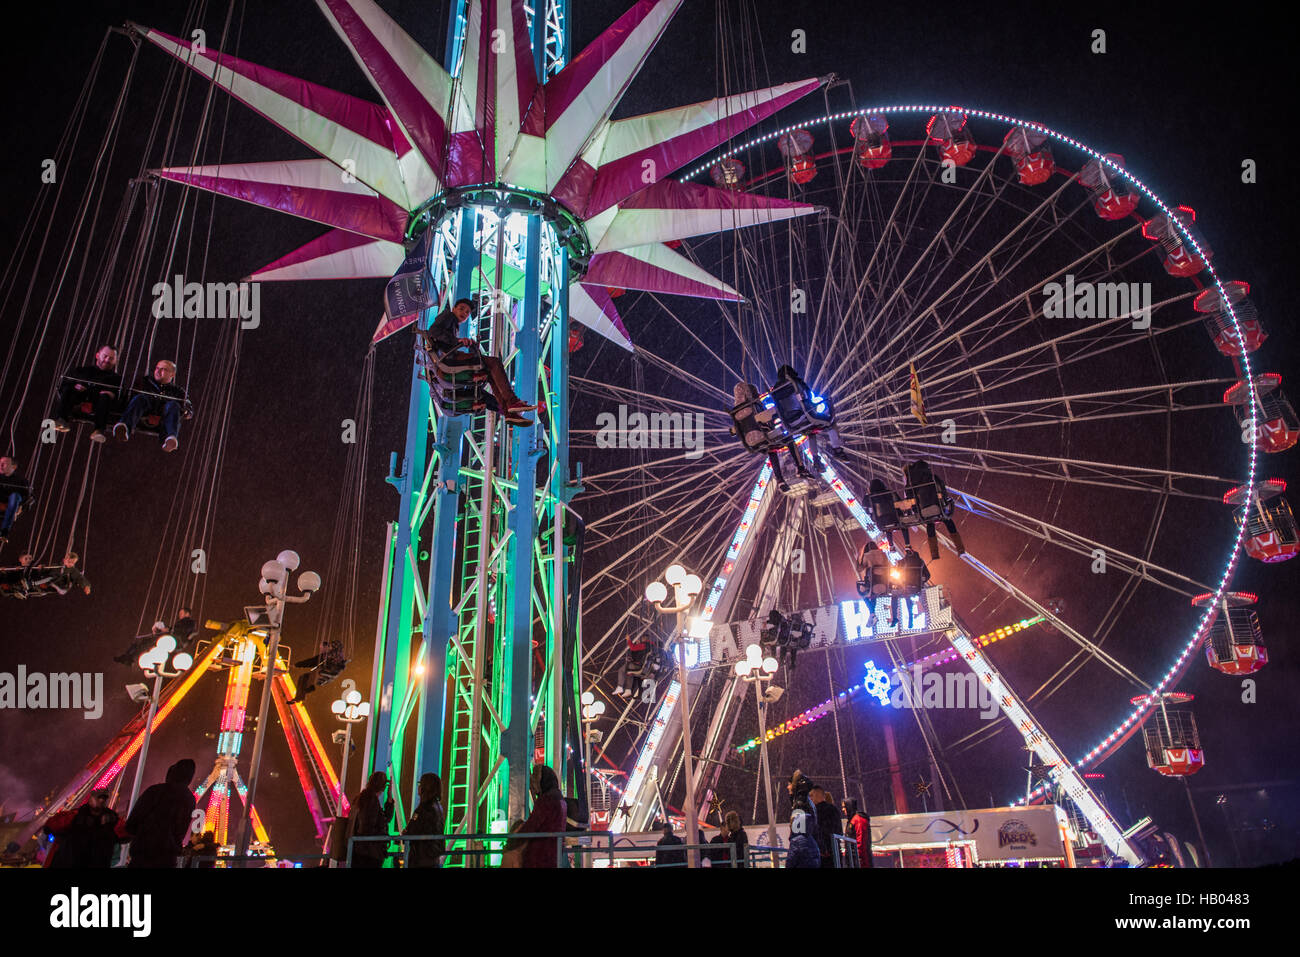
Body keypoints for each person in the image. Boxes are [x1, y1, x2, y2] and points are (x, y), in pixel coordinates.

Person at [421, 298, 537, 427]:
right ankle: (512, 402)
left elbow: (446, 340)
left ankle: (509, 411)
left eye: (467, 312)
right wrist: (457, 341)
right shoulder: (449, 316)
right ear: (454, 308)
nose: (464, 313)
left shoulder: (453, 324)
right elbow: (434, 332)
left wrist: (466, 343)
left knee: (490, 372)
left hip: (450, 359)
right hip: (449, 361)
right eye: (461, 309)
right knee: (494, 363)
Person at [123, 758, 197, 868]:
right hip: (168, 858)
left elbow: (132, 823)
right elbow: (180, 831)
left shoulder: (155, 791)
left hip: (144, 854)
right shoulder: (190, 799)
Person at [113, 359, 188, 452]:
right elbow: (130, 396)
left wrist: (187, 412)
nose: (158, 371)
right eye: (157, 368)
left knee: (173, 405)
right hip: (143, 411)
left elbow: (187, 407)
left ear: (172, 374)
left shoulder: (178, 391)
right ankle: (124, 427)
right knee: (140, 398)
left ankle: (170, 437)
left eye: (163, 369)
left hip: (164, 416)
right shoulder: (145, 382)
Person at [53, 345, 122, 442]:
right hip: (79, 398)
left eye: (111, 358)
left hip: (100, 402)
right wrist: (75, 386)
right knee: (69, 388)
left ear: (115, 361)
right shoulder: (82, 371)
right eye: (105, 356)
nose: (107, 360)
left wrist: (112, 395)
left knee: (105, 397)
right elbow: (64, 385)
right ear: (97, 355)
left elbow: (121, 397)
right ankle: (61, 419)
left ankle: (99, 430)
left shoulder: (117, 379)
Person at [43, 789, 120, 868]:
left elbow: (127, 833)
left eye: (104, 798)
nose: (101, 800)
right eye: (99, 797)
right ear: (91, 799)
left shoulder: (113, 821)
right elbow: (50, 826)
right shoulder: (74, 816)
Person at [517, 764, 567, 868]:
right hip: (554, 854)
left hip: (540, 854)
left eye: (535, 782)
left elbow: (532, 826)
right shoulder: (560, 800)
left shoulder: (546, 800)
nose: (535, 788)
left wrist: (513, 840)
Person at [347, 771, 394, 868]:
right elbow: (373, 824)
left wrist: (389, 799)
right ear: (383, 787)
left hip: (358, 851)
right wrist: (382, 838)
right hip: (368, 854)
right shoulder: (371, 800)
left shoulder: (361, 798)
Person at [403, 772, 446, 868]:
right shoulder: (438, 807)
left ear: (425, 788)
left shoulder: (424, 808)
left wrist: (405, 834)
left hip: (421, 857)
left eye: (420, 784)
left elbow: (414, 829)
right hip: (433, 856)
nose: (418, 787)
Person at [287, 638, 347, 703]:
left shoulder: (329, 655)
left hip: (327, 672)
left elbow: (313, 661)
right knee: (305, 677)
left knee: (305, 677)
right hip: (330, 672)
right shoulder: (338, 655)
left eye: (323, 648)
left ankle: (303, 694)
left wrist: (297, 665)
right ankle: (306, 690)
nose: (321, 650)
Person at [856, 540, 891, 626]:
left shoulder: (867, 556)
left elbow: (859, 569)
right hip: (884, 584)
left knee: (864, 594)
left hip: (872, 585)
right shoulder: (883, 554)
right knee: (873, 595)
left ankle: (872, 614)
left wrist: (859, 558)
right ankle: (872, 615)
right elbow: (889, 567)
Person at [0, 456, 33, 546]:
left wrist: (21, 507)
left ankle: (4, 532)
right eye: (0, 463)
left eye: (5, 463)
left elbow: (30, 498)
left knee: (15, 496)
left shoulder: (22, 481)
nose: (1, 465)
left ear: (13, 467)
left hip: (11, 506)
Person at [898, 547, 931, 629]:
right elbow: (928, 575)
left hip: (907, 587)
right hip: (918, 587)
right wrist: (922, 580)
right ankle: (929, 616)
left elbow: (897, 574)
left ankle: (910, 617)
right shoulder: (920, 561)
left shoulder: (902, 562)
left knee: (906, 597)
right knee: (923, 600)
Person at [811, 786, 843, 867]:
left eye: (811, 795)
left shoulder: (815, 812)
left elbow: (819, 832)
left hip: (823, 854)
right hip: (835, 852)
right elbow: (838, 831)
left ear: (815, 795)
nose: (810, 798)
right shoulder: (834, 809)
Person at [841, 798, 872, 868]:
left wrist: (859, 859)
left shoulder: (858, 820)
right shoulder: (852, 820)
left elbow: (861, 842)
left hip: (859, 861)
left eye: (844, 807)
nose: (843, 809)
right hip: (854, 859)